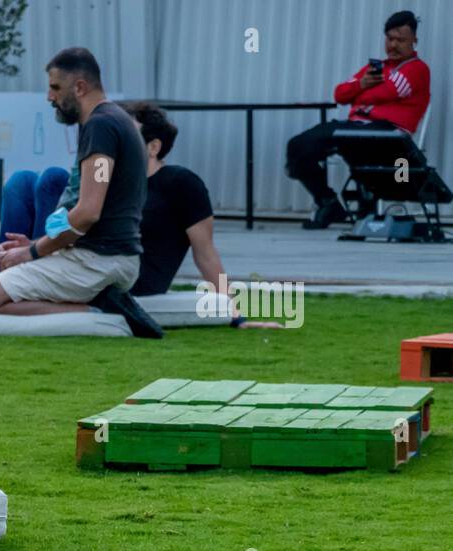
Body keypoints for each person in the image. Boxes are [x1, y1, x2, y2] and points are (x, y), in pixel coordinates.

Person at [0, 48, 161, 338]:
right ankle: (97, 302)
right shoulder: (113, 120)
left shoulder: (101, 126)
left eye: (55, 87)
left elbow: (88, 212)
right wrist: (38, 243)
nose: (50, 97)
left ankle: (102, 310)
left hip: (100, 262)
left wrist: (31, 252)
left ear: (80, 87)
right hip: (108, 257)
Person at [120, 101, 281, 330]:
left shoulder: (180, 183)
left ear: (153, 147)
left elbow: (206, 254)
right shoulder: (116, 183)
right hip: (104, 266)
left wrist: (236, 316)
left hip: (137, 278)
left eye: (126, 135)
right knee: (57, 179)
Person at [286, 10, 430, 229]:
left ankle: (367, 206)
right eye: (390, 39)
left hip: (390, 133)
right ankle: (328, 202)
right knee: (298, 146)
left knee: (360, 144)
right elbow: (340, 94)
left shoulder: (417, 69)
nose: (394, 45)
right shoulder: (374, 69)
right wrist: (362, 84)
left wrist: (361, 93)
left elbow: (388, 92)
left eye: (401, 40)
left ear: (414, 41)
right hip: (354, 128)